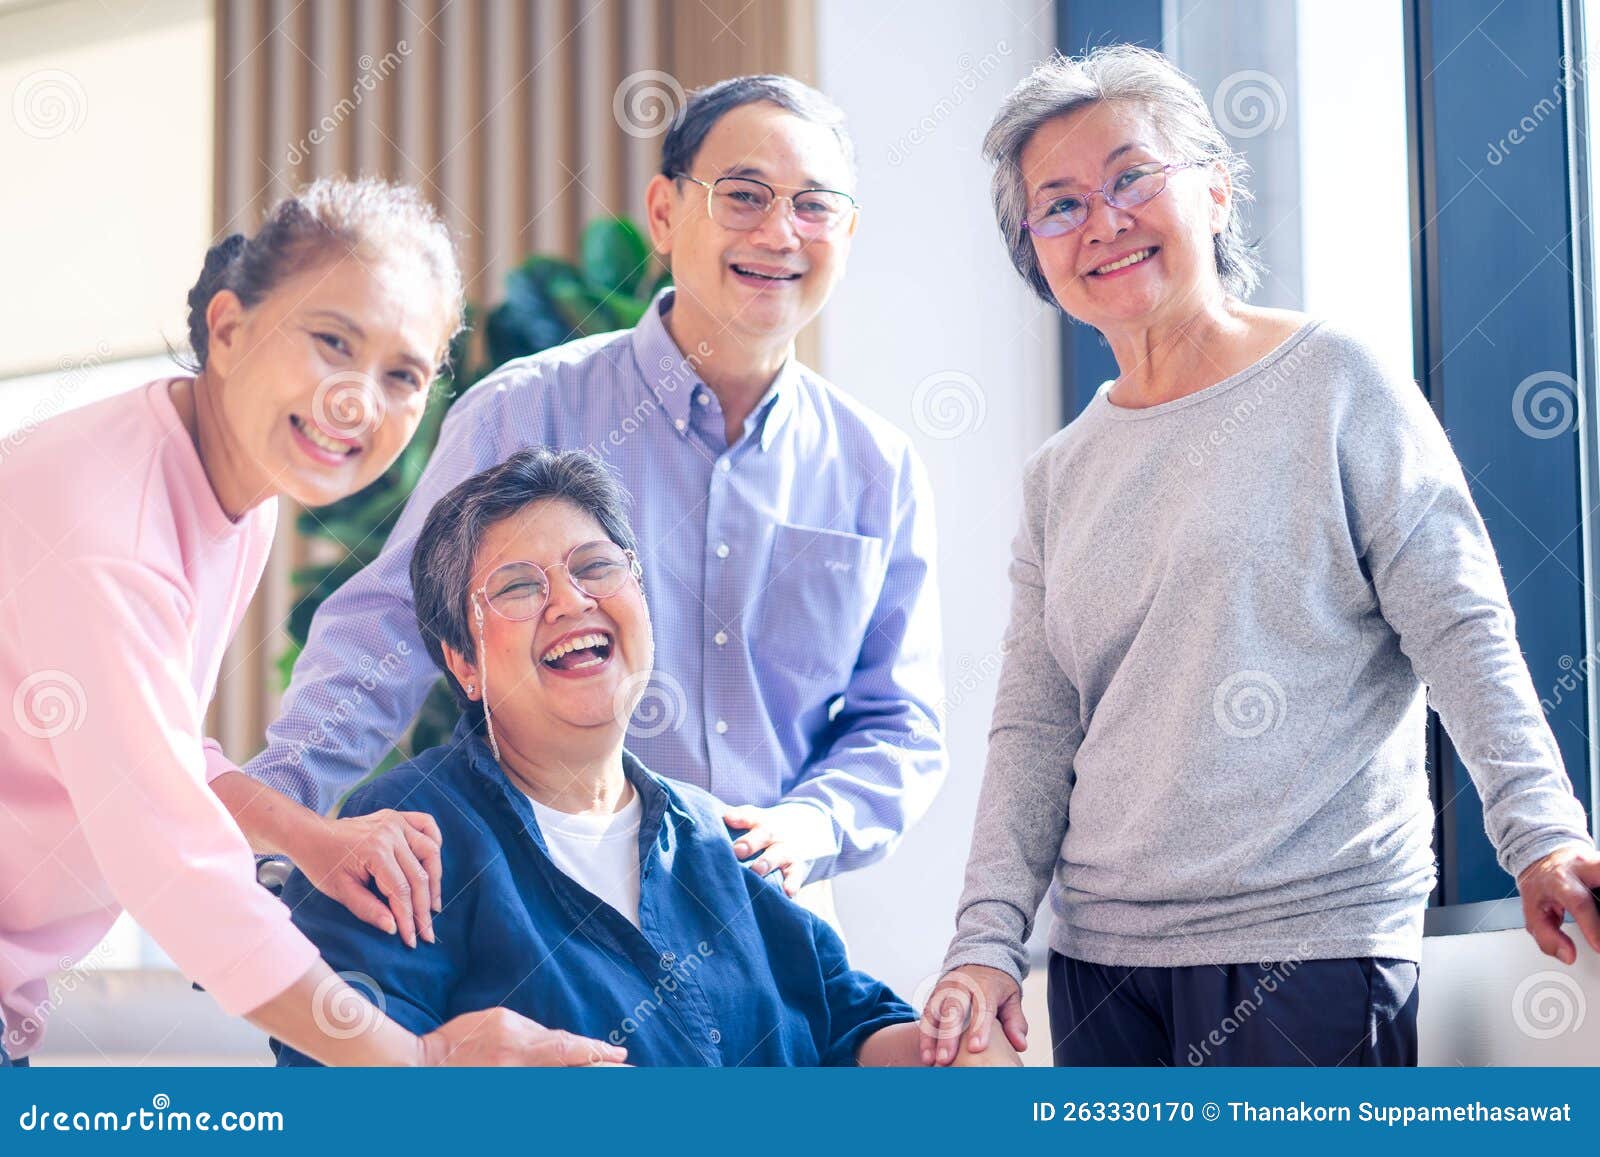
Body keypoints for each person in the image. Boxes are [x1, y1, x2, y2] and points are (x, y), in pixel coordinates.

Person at [922, 45, 1600, 1068]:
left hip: (1311, 946)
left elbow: (1459, 624)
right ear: (1035, 252)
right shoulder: (1060, 473)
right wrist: (984, 942)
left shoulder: (1334, 379)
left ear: (1216, 187)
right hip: (1102, 964)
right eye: (1057, 206)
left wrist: (1539, 831)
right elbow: (1031, 728)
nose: (1101, 221)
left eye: (1129, 177)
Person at [237, 76, 945, 916]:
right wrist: (270, 817)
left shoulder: (878, 466)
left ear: (848, 232)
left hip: (770, 930)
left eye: (815, 205)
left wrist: (813, 823)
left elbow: (897, 722)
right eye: (745, 196)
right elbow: (392, 627)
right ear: (664, 212)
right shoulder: (525, 408)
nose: (780, 231)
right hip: (542, 921)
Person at [0, 178, 624, 1069]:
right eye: (333, 341)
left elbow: (153, 753)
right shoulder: (109, 528)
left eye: (402, 375)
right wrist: (424, 1067)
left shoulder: (236, 494)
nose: (355, 402)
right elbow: (174, 867)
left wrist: (306, 834)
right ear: (229, 329)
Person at [273, 448, 1013, 1068]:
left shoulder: (723, 837)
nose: (569, 601)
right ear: (463, 663)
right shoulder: (404, 841)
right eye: (519, 586)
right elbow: (327, 1083)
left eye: (594, 567)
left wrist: (955, 1040)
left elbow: (851, 1029)